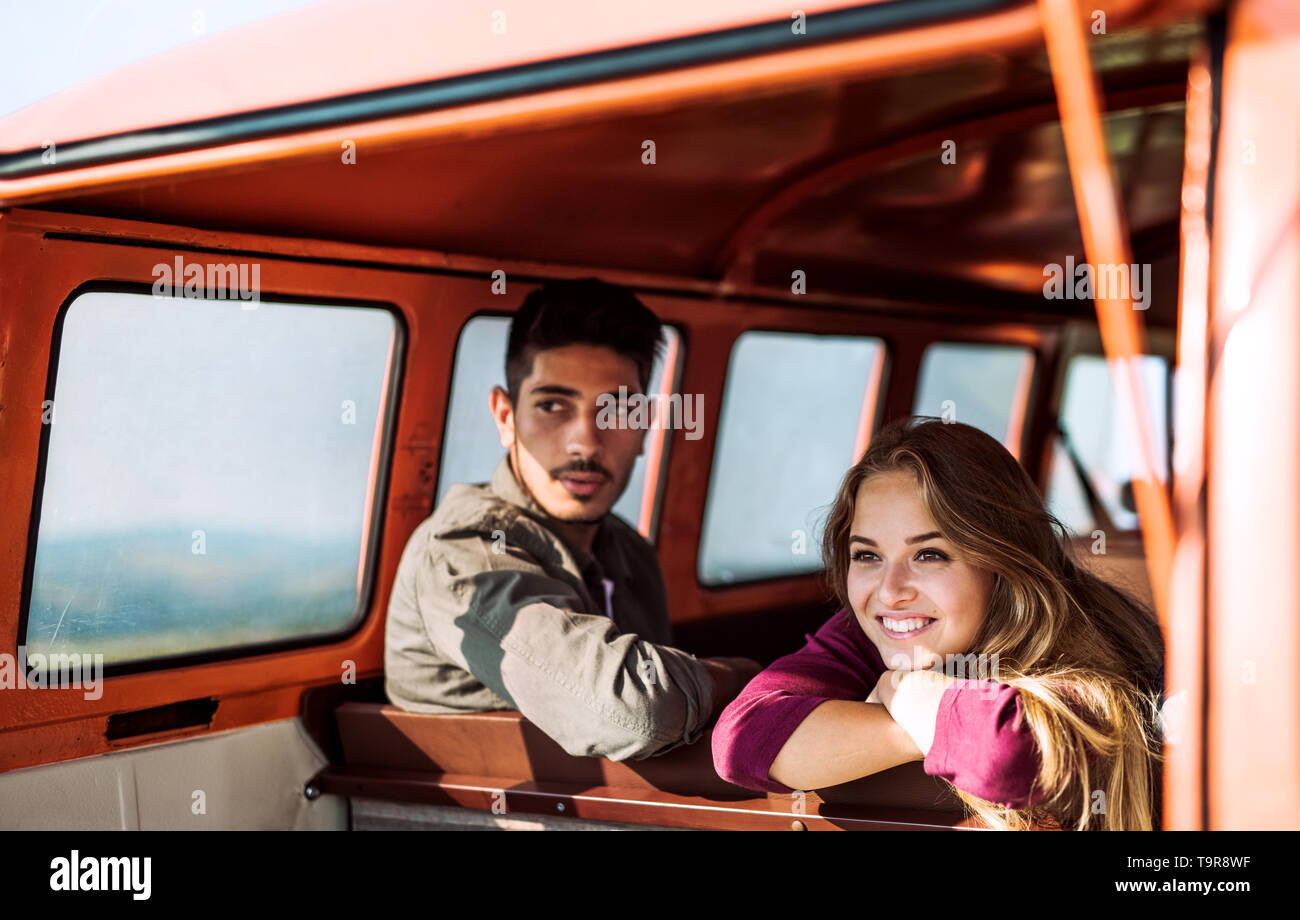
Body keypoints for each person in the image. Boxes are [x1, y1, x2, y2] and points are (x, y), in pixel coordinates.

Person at [711, 417, 1165, 830]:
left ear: (1002, 562)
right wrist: (915, 727)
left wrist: (904, 691)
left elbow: (1004, 753)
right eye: (867, 555)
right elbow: (741, 739)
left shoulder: (1086, 650)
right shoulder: (878, 629)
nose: (890, 591)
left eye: (929, 554)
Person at [385, 277, 759, 761]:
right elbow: (635, 711)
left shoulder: (629, 552)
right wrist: (748, 678)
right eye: (553, 406)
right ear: (505, 416)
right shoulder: (464, 550)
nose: (585, 441)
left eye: (617, 408)